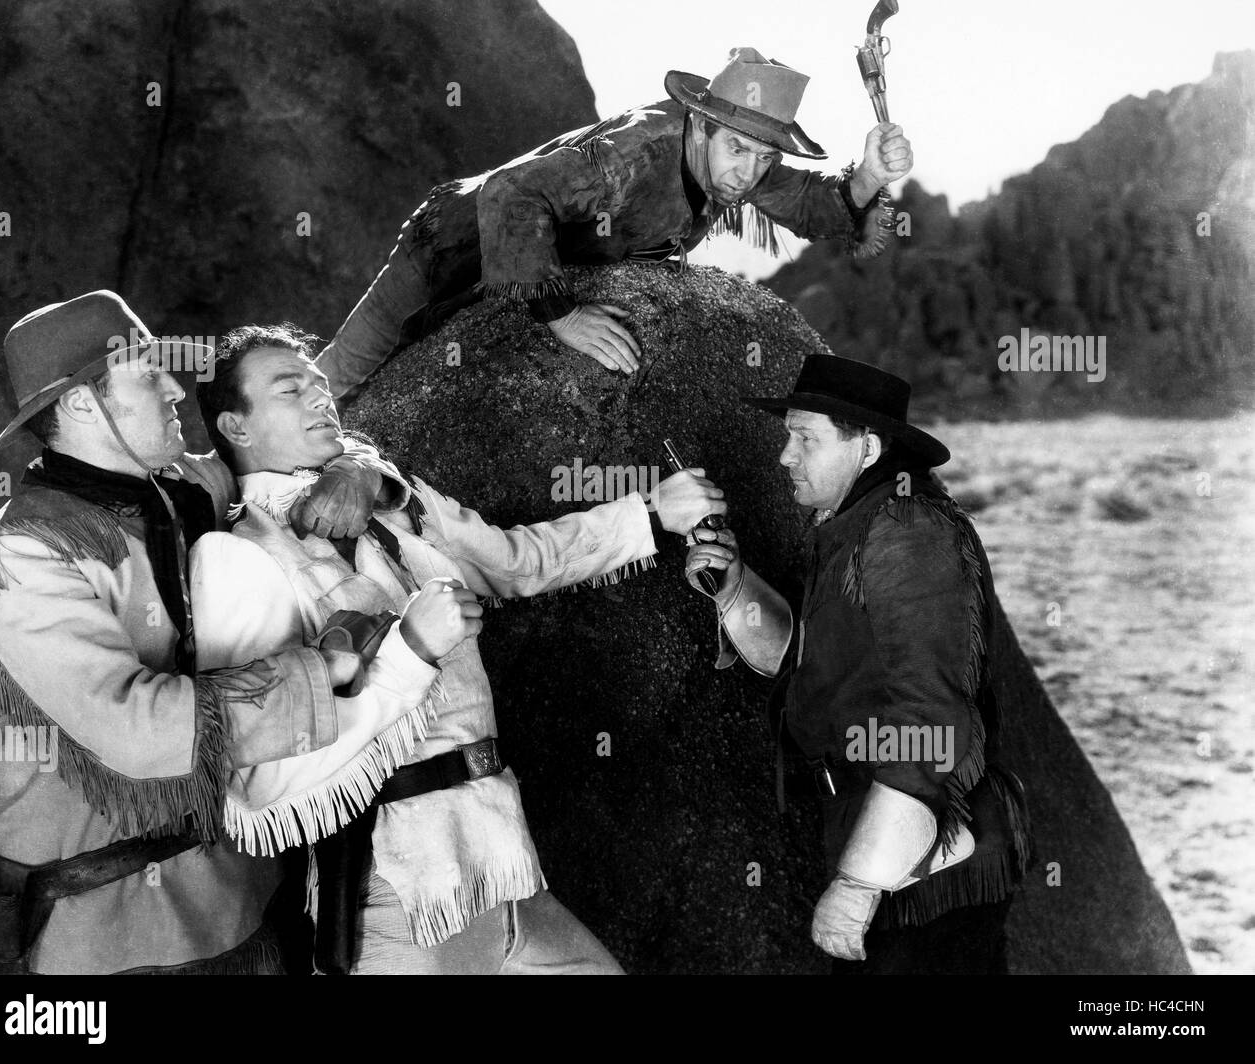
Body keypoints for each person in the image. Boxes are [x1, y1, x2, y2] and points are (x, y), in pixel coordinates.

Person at [189, 322, 727, 974]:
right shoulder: (236, 557)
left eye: (318, 382)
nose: (319, 397)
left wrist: (648, 513)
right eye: (288, 389)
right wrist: (411, 649)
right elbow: (258, 774)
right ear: (237, 428)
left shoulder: (391, 503)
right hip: (398, 892)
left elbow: (518, 561)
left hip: (498, 858)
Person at [0, 290, 395, 974]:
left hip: (241, 901)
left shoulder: (184, 487)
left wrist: (356, 469)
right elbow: (137, 728)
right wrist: (320, 672)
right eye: (146, 372)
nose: (174, 387)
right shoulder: (23, 554)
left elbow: (292, 430)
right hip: (98, 936)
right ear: (78, 405)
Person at [685, 354, 1034, 974]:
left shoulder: (907, 527)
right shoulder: (857, 522)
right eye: (788, 435)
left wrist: (859, 884)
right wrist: (734, 586)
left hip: (931, 853)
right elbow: (806, 663)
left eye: (805, 439)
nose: (785, 456)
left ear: (868, 449)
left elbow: (932, 713)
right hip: (883, 832)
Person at [318, 46, 913, 402]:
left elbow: (811, 204)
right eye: (739, 150)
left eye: (764, 157)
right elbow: (511, 193)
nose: (748, 173)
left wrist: (868, 177)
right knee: (336, 386)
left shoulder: (740, 161)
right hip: (446, 250)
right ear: (701, 126)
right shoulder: (632, 155)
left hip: (515, 279)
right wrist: (564, 316)